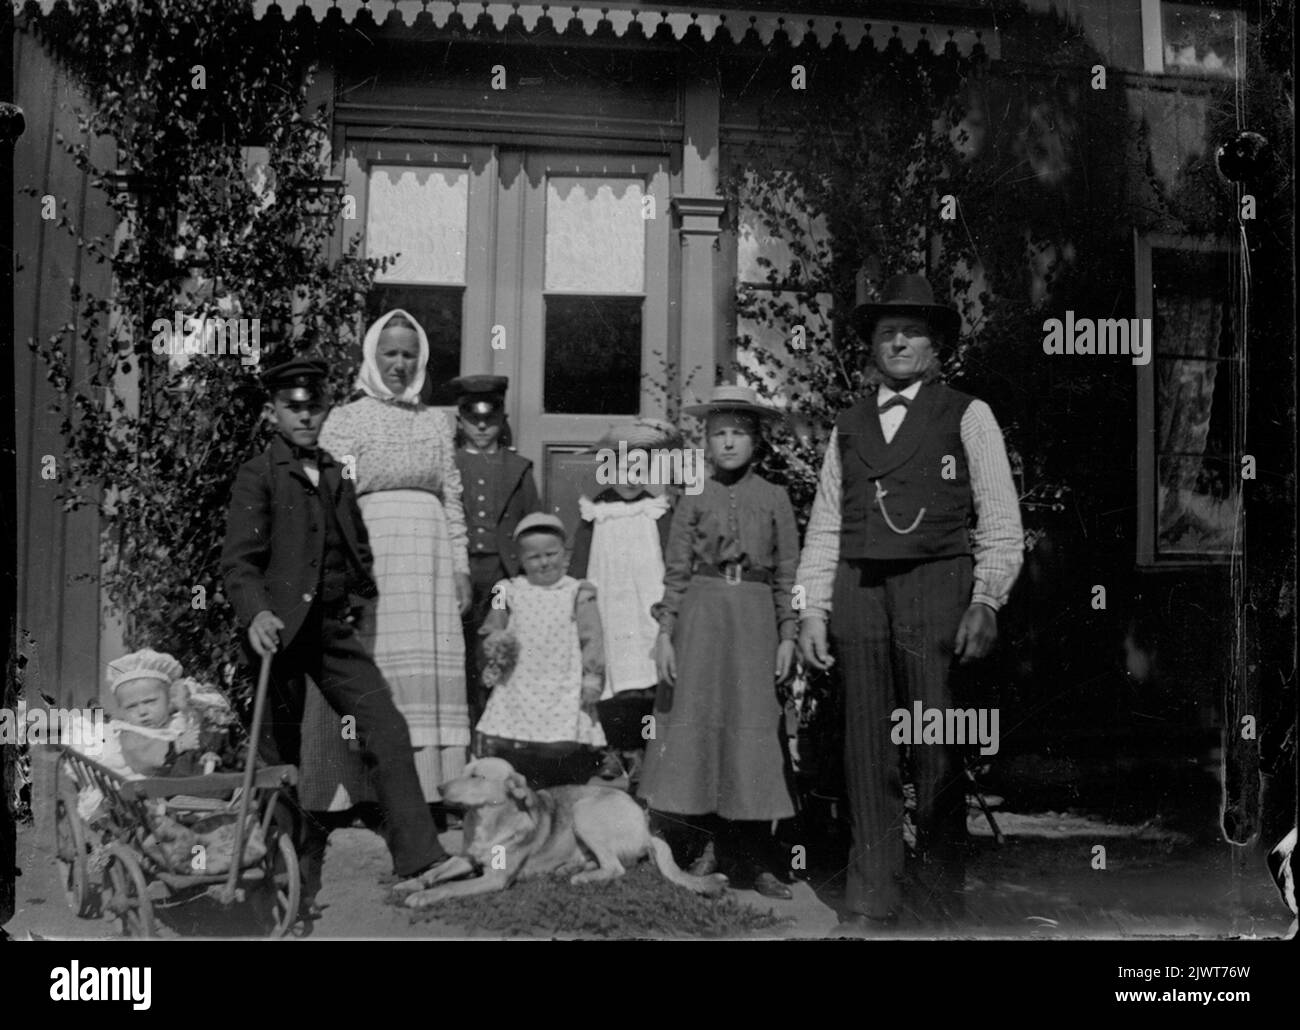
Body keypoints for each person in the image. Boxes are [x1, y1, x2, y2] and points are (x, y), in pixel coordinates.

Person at [795, 273, 1024, 933]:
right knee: (867, 752)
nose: (897, 341)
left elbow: (1002, 522)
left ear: (935, 344)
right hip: (860, 593)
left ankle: (935, 901)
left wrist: (986, 599)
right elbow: (826, 527)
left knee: (936, 752)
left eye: (912, 331)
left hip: (938, 590)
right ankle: (872, 899)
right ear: (870, 344)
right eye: (885, 331)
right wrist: (812, 609)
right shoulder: (848, 425)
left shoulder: (968, 414)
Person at [220, 353, 455, 911]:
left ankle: (421, 857)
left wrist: (356, 599)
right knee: (280, 751)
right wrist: (256, 613)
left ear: (326, 409)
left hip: (329, 632)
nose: (305, 417)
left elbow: (356, 547)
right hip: (277, 636)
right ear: (273, 412)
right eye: (292, 407)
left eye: (314, 406)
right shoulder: (259, 474)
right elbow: (239, 563)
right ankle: (279, 864)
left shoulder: (334, 471)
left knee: (386, 725)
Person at [298, 310, 472, 819]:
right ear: (372, 357)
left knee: (426, 672)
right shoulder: (348, 419)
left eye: (409, 354)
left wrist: (460, 567)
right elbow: (327, 498)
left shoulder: (435, 421)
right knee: (374, 668)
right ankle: (361, 792)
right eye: (389, 353)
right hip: (372, 557)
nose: (399, 364)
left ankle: (428, 791)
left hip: (431, 562)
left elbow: (453, 500)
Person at [638, 384, 800, 900]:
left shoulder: (775, 498)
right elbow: (677, 572)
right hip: (702, 619)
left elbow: (789, 574)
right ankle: (705, 849)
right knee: (701, 728)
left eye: (739, 434)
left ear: (757, 441)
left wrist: (788, 635)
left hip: (754, 620)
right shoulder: (692, 499)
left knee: (752, 729)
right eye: (718, 435)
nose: (728, 443)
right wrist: (665, 635)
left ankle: (755, 856)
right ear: (705, 443)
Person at [570, 417, 681, 788]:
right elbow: (580, 563)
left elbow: (673, 558)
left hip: (645, 605)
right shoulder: (595, 512)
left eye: (639, 468)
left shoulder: (657, 510)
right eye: (621, 468)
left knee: (645, 678)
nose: (630, 477)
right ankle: (614, 748)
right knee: (612, 677)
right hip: (608, 606)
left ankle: (645, 746)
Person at [474, 513, 608, 787]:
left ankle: (560, 784)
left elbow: (592, 638)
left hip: (562, 679)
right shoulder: (507, 589)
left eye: (551, 554)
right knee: (520, 741)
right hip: (520, 681)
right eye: (534, 557)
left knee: (560, 741)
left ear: (564, 553)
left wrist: (592, 677)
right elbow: (492, 627)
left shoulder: (578, 592)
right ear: (520, 560)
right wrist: (496, 644)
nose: (544, 562)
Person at [451, 374, 542, 729]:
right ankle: (465, 728)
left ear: (502, 417)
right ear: (460, 420)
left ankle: (495, 728)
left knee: (495, 649)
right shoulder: (451, 464)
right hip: (459, 574)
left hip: (502, 577)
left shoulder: (517, 468)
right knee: (458, 649)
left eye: (490, 417)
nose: (483, 426)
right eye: (474, 418)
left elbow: (533, 520)